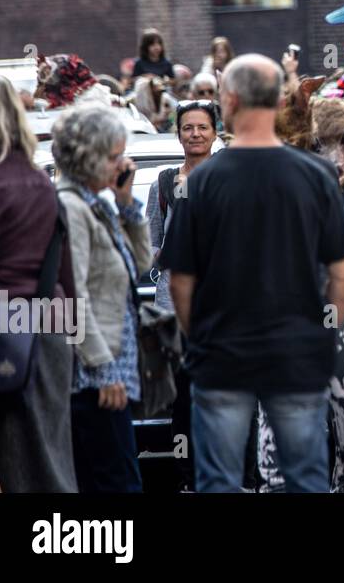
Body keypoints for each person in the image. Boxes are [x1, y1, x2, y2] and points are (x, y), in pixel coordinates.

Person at [161, 55, 344, 493]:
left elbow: (180, 280)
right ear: (277, 100)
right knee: (305, 478)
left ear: (229, 101)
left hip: (222, 354)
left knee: (219, 481)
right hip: (297, 354)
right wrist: (326, 329)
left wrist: (202, 337)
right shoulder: (318, 176)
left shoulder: (201, 182)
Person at [0, 76, 78, 493]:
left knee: (1, 466)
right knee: (49, 463)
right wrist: (71, 338)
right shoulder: (42, 181)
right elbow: (65, 269)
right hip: (48, 329)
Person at [51, 106, 151, 493]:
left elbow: (138, 265)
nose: (121, 164)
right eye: (113, 157)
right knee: (117, 482)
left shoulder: (95, 205)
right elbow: (74, 295)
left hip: (108, 372)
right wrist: (104, 369)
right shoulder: (71, 208)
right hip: (92, 378)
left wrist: (127, 204)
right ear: (90, 157)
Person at [144, 98, 218, 492]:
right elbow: (155, 244)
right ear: (178, 134)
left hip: (222, 306)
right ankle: (188, 479)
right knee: (184, 398)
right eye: (188, 128)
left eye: (202, 127)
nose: (195, 134)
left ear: (215, 132)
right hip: (175, 308)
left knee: (225, 394)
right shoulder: (163, 182)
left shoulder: (227, 177)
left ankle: (229, 474)